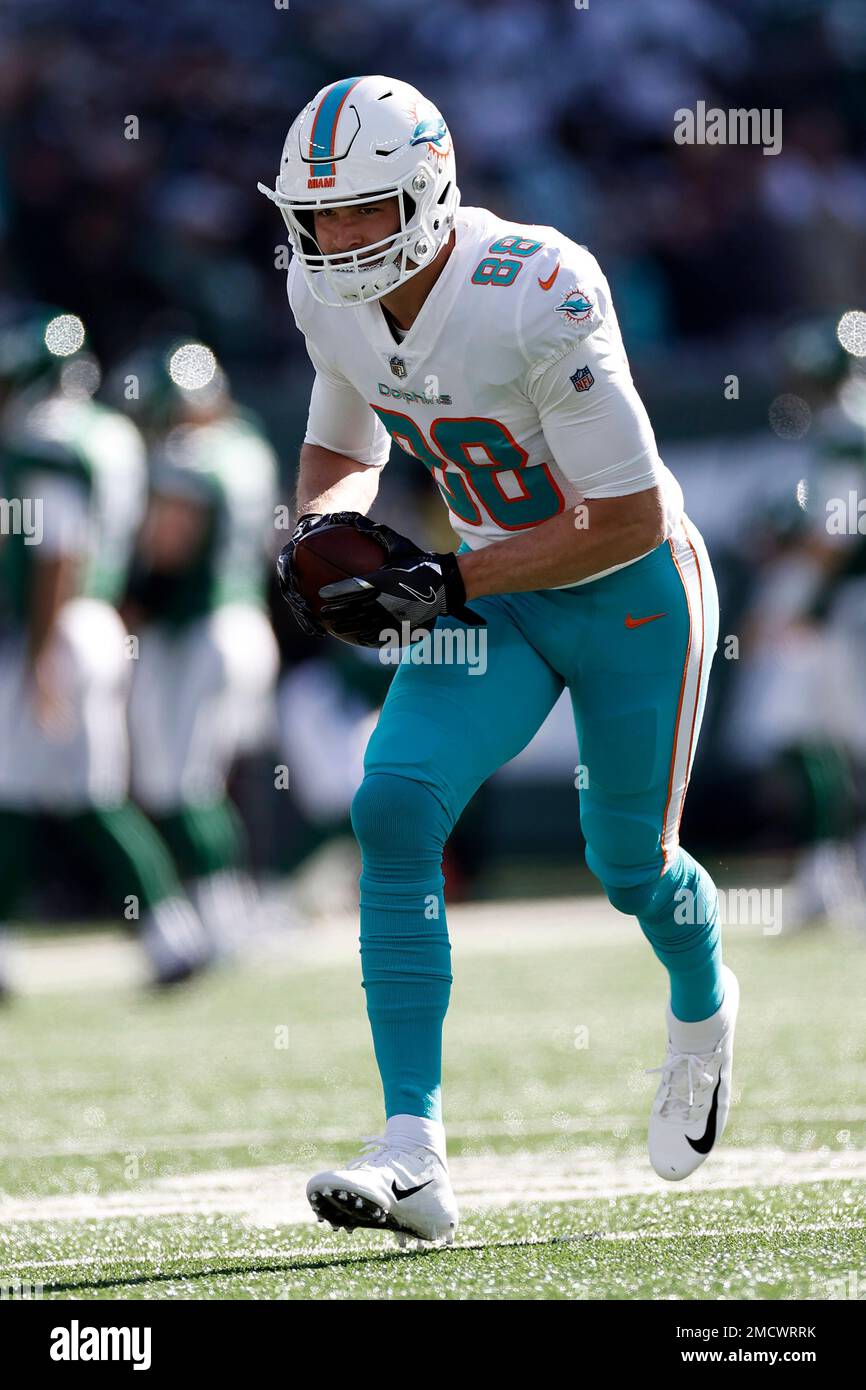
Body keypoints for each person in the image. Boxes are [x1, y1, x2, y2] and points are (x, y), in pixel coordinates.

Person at [260, 75, 739, 1245]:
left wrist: (450, 576)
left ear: (425, 196)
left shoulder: (533, 283)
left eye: (362, 212)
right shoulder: (325, 297)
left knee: (630, 866)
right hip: (490, 593)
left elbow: (624, 514)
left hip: (626, 595)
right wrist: (319, 533)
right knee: (392, 804)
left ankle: (703, 1008)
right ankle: (412, 1151)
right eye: (315, 217)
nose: (333, 239)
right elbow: (338, 448)